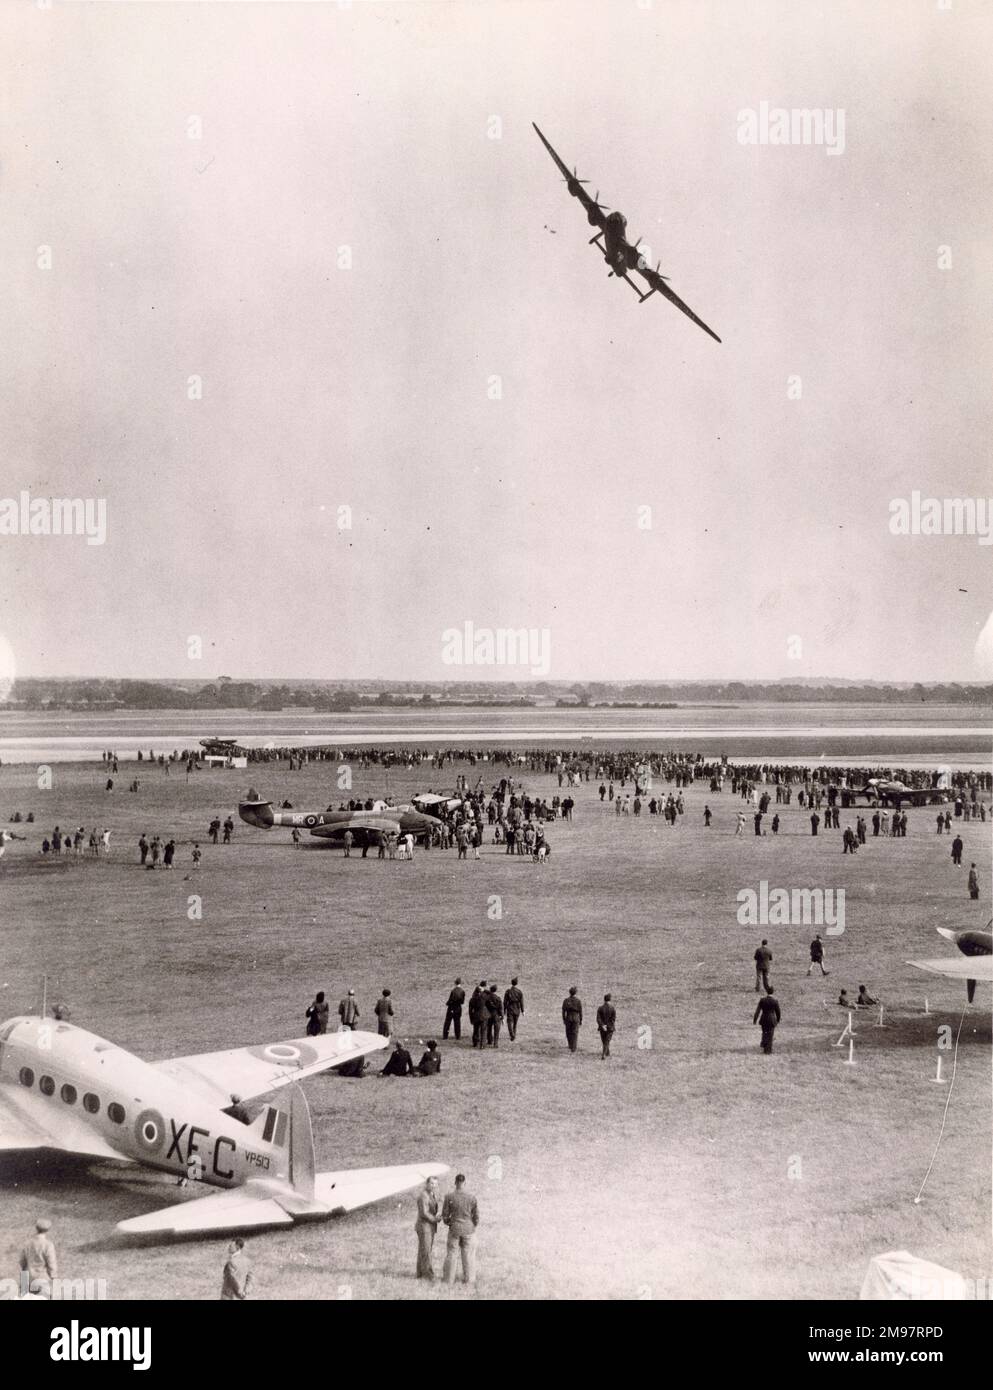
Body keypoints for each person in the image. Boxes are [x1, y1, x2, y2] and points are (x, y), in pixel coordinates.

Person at [441, 1174, 479, 1286]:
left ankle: (448, 1280)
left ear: (455, 1183)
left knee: (452, 1254)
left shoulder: (449, 1197)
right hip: (469, 1229)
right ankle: (469, 1280)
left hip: (454, 1229)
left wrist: (450, 1223)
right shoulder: (472, 1197)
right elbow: (476, 1216)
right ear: (465, 1183)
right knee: (468, 1255)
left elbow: (445, 1215)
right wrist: (472, 1225)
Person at [19, 1219, 57, 1298]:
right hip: (42, 1278)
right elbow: (51, 1263)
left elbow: (22, 1262)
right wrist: (53, 1276)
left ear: (36, 1228)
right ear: (47, 1230)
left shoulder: (27, 1243)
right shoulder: (48, 1245)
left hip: (27, 1278)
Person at [415, 1176, 441, 1279]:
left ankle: (420, 1274)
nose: (433, 1186)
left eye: (435, 1184)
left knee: (424, 1250)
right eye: (431, 1183)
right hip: (424, 1226)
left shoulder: (432, 1194)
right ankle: (428, 1275)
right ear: (427, 1184)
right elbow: (424, 1213)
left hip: (429, 1226)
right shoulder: (424, 1195)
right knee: (426, 1251)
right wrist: (435, 1219)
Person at [753, 987, 781, 1054]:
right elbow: (778, 1012)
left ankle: (765, 1048)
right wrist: (778, 1020)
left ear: (767, 992)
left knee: (764, 1033)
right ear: (773, 992)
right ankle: (769, 1050)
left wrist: (755, 1020)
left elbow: (757, 1011)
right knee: (770, 1035)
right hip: (772, 1020)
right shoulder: (775, 1001)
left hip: (764, 1019)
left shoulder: (762, 1000)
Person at [562, 986, 583, 1052]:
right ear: (576, 993)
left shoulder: (566, 1000)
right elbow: (580, 1011)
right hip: (576, 1018)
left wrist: (564, 1019)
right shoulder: (578, 1001)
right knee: (575, 1032)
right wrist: (581, 1020)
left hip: (568, 1017)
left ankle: (570, 1045)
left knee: (568, 1032)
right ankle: (573, 1047)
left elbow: (563, 1011)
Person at [596, 993, 616, 1059]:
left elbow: (598, 1018)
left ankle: (607, 1053)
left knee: (604, 1041)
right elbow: (613, 1019)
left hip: (602, 1028)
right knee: (607, 1041)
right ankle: (604, 1054)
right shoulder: (612, 1008)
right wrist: (608, 1025)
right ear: (610, 1000)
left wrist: (602, 1025)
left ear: (604, 1000)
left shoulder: (600, 1008)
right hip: (610, 1027)